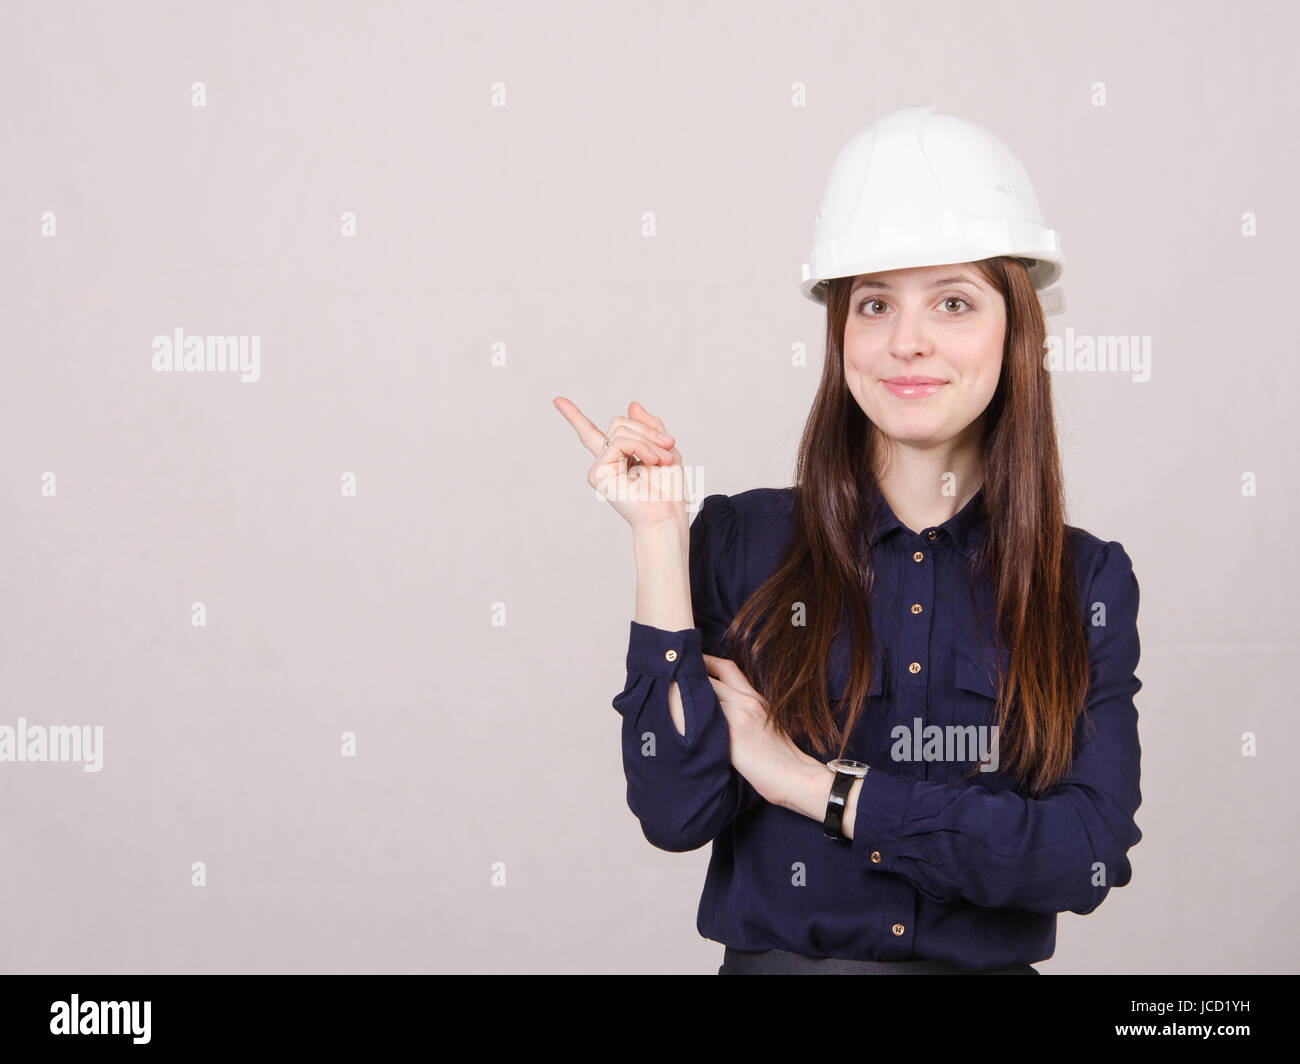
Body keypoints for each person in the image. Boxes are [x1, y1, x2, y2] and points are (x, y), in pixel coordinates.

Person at [554, 105, 1142, 975]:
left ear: (1017, 329)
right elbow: (675, 811)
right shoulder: (741, 543)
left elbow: (1083, 854)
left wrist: (809, 783)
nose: (907, 342)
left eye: (953, 302)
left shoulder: (1082, 579)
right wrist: (658, 538)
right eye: (874, 304)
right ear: (841, 335)